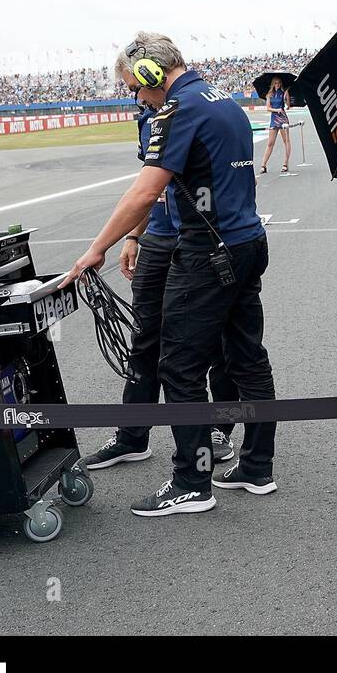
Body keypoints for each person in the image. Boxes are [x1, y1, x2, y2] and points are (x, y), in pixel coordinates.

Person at [61, 32, 277, 517]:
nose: (137, 97)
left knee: (179, 366)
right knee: (247, 357)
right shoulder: (224, 100)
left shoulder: (178, 110)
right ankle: (258, 466)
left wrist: (96, 250)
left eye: (134, 87)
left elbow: (144, 193)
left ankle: (190, 482)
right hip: (247, 242)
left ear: (150, 74)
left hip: (206, 253)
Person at [81, 96, 238, 471]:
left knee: (211, 340)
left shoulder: (196, 112)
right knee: (144, 338)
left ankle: (219, 429)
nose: (135, 95)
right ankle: (131, 436)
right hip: (158, 239)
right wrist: (134, 237)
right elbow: (151, 190)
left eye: (136, 86)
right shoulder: (147, 119)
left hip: (198, 239)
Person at [259, 75, 292, 175]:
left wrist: (287, 97)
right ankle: (263, 165)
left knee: (286, 141)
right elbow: (268, 108)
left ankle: (285, 164)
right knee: (270, 143)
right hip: (274, 119)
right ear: (273, 84)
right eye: (276, 83)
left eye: (279, 83)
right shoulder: (269, 94)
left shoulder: (283, 93)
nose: (277, 85)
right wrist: (276, 110)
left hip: (283, 119)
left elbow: (288, 106)